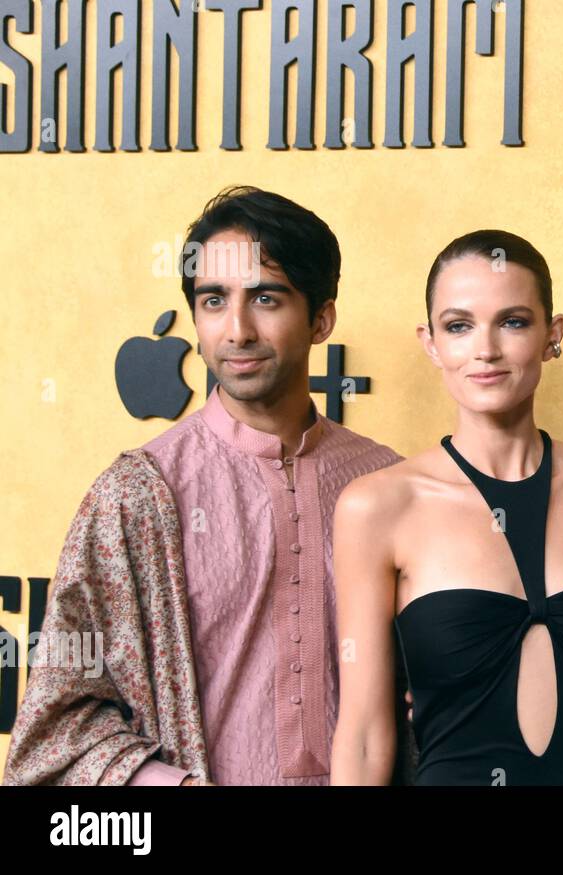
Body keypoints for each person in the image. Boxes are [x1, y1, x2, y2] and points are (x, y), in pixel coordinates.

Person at [2, 187, 402, 785]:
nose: (236, 330)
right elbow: (56, 727)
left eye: (266, 298)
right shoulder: (137, 495)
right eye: (214, 301)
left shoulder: (390, 484)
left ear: (321, 318)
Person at [330, 230, 563, 785]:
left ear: (551, 335)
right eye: (459, 326)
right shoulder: (378, 507)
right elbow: (366, 736)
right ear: (431, 343)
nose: (485, 350)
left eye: (512, 321)